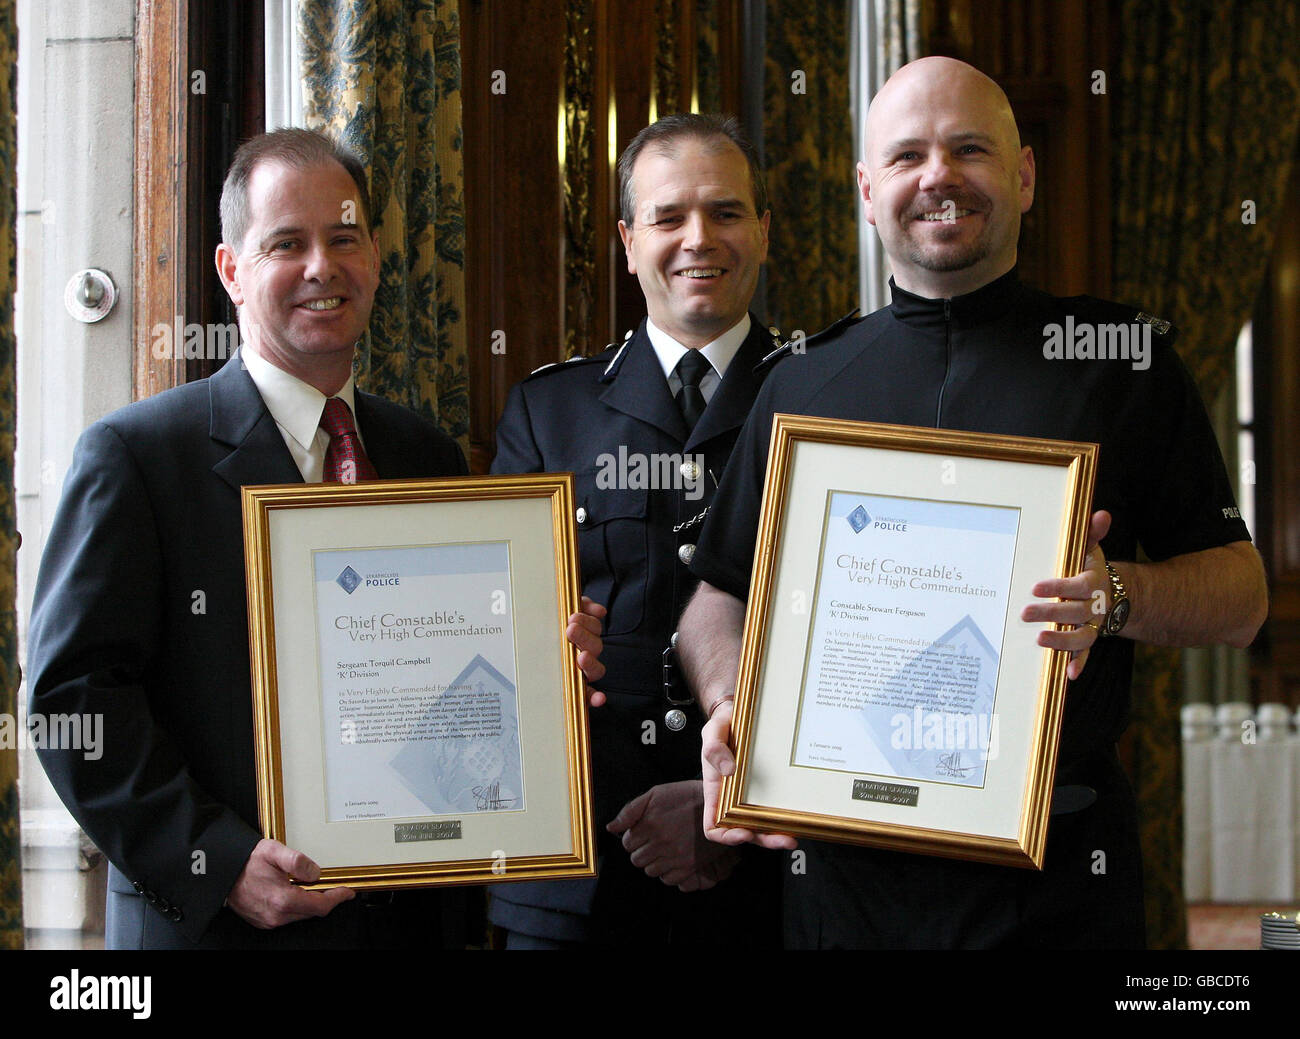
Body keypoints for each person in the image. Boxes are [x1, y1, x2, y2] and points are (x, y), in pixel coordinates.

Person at [676, 57, 1269, 949]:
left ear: (1024, 175)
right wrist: (733, 700)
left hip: (1057, 883)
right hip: (845, 887)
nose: (939, 177)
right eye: (908, 156)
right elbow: (716, 597)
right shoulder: (799, 384)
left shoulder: (1123, 362)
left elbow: (1243, 596)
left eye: (969, 149)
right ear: (868, 191)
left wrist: (1116, 596)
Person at [26, 128, 606, 949]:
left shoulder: (426, 455)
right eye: (286, 244)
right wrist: (216, 860)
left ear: (376, 257)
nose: (321, 267)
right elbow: (71, 700)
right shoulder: (138, 457)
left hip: (413, 925)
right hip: (222, 931)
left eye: (343, 238)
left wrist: (544, 660)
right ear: (231, 270)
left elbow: (459, 682)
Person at [488, 114, 782, 947]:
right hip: (580, 869)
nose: (699, 238)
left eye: (726, 212)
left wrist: (732, 800)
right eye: (668, 216)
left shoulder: (826, 400)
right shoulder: (548, 411)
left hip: (773, 875)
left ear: (763, 230)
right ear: (627, 241)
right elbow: (491, 635)